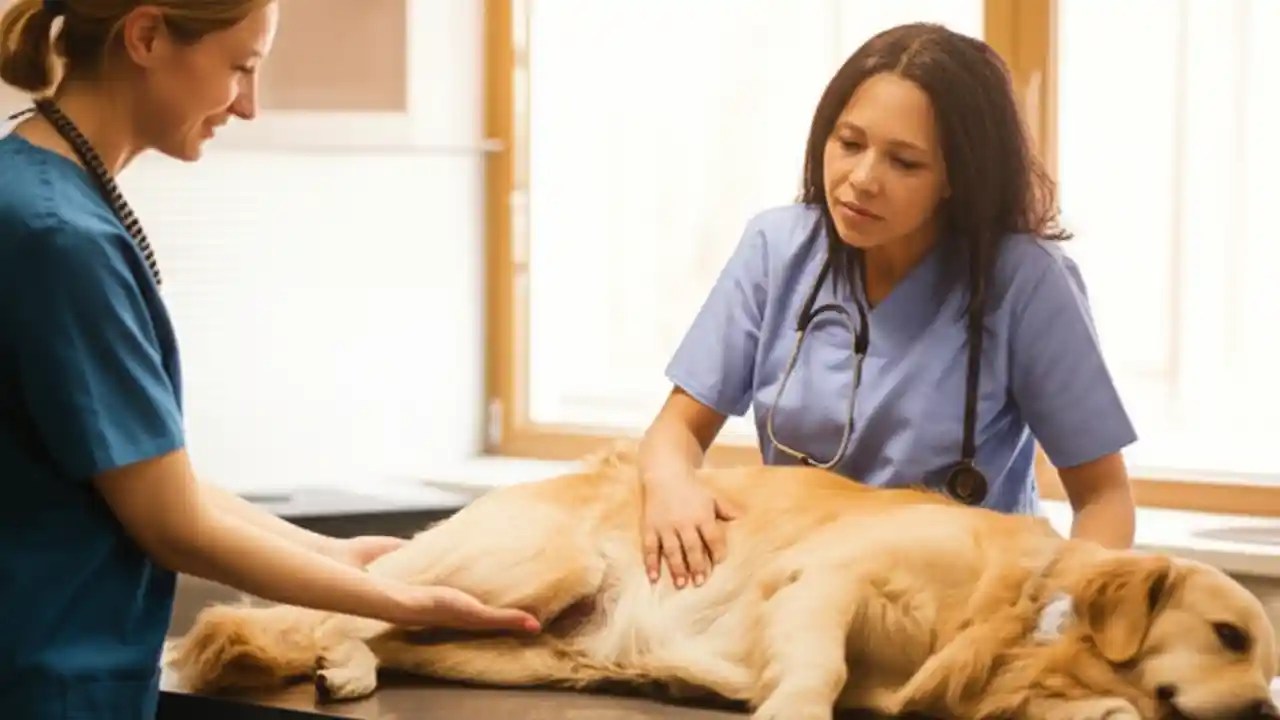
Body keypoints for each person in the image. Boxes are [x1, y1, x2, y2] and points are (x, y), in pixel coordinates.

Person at [0, 1, 539, 717]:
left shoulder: (33, 192)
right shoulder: (62, 236)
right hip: (47, 680)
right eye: (240, 67)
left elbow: (151, 477)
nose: (249, 106)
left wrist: (332, 554)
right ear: (147, 36)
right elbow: (173, 524)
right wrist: (394, 601)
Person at [638, 22, 1139, 590]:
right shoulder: (777, 248)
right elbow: (675, 431)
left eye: (905, 162)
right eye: (849, 143)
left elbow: (1103, 497)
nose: (862, 180)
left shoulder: (1026, 282)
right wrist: (672, 485)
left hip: (964, 601)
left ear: (957, 176)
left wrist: (1064, 611)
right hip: (797, 589)